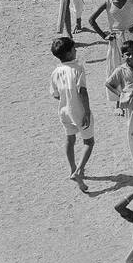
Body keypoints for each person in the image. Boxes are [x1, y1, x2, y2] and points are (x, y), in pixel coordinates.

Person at [49, 34, 94, 188]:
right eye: (74, 48)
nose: (76, 50)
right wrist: (87, 112)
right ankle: (79, 171)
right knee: (89, 142)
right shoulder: (78, 68)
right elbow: (83, 92)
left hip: (64, 111)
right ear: (69, 53)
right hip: (79, 110)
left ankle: (72, 168)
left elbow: (55, 94)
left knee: (70, 140)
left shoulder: (56, 72)